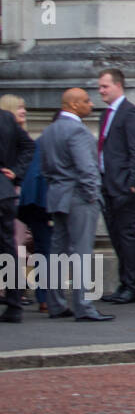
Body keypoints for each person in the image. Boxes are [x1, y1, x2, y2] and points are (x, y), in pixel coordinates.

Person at [41, 88, 113, 321]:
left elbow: (45, 169)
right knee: (82, 252)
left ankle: (56, 303)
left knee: (57, 252)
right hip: (79, 197)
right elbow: (87, 168)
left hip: (57, 195)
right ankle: (84, 306)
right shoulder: (77, 131)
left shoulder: (50, 130)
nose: (90, 104)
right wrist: (92, 194)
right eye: (85, 101)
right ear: (73, 105)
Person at [97, 68, 135, 304]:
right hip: (107, 184)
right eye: (100, 87)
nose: (101, 91)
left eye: (104, 86)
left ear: (118, 85)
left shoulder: (131, 113)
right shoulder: (105, 114)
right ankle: (123, 284)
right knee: (116, 236)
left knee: (126, 235)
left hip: (124, 187)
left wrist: (131, 184)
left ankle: (131, 286)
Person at [0, 103, 35, 322]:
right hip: (4, 192)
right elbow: (29, 146)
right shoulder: (5, 118)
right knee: (7, 248)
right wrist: (16, 172)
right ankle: (14, 304)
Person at [18, 112, 54, 313]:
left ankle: (44, 297)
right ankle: (46, 297)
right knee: (47, 249)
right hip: (45, 204)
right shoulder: (51, 140)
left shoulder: (41, 139)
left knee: (42, 249)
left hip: (33, 203)